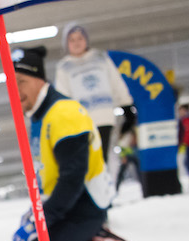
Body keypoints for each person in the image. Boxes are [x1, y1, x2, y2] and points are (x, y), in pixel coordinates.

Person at [2, 46, 131, 241]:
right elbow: (47, 174)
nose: (14, 91)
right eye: (10, 84)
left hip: (83, 210)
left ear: (40, 80)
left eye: (20, 82)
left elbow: (72, 180)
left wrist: (42, 219)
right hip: (62, 207)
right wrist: (32, 215)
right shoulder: (39, 117)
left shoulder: (64, 113)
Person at [54, 22, 135, 164]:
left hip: (104, 116)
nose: (77, 43)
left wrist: (126, 104)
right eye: (72, 40)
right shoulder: (64, 67)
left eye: (80, 38)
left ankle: (104, 183)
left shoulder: (100, 58)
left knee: (102, 158)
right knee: (88, 160)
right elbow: (62, 97)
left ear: (86, 39)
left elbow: (116, 81)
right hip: (81, 121)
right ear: (66, 44)